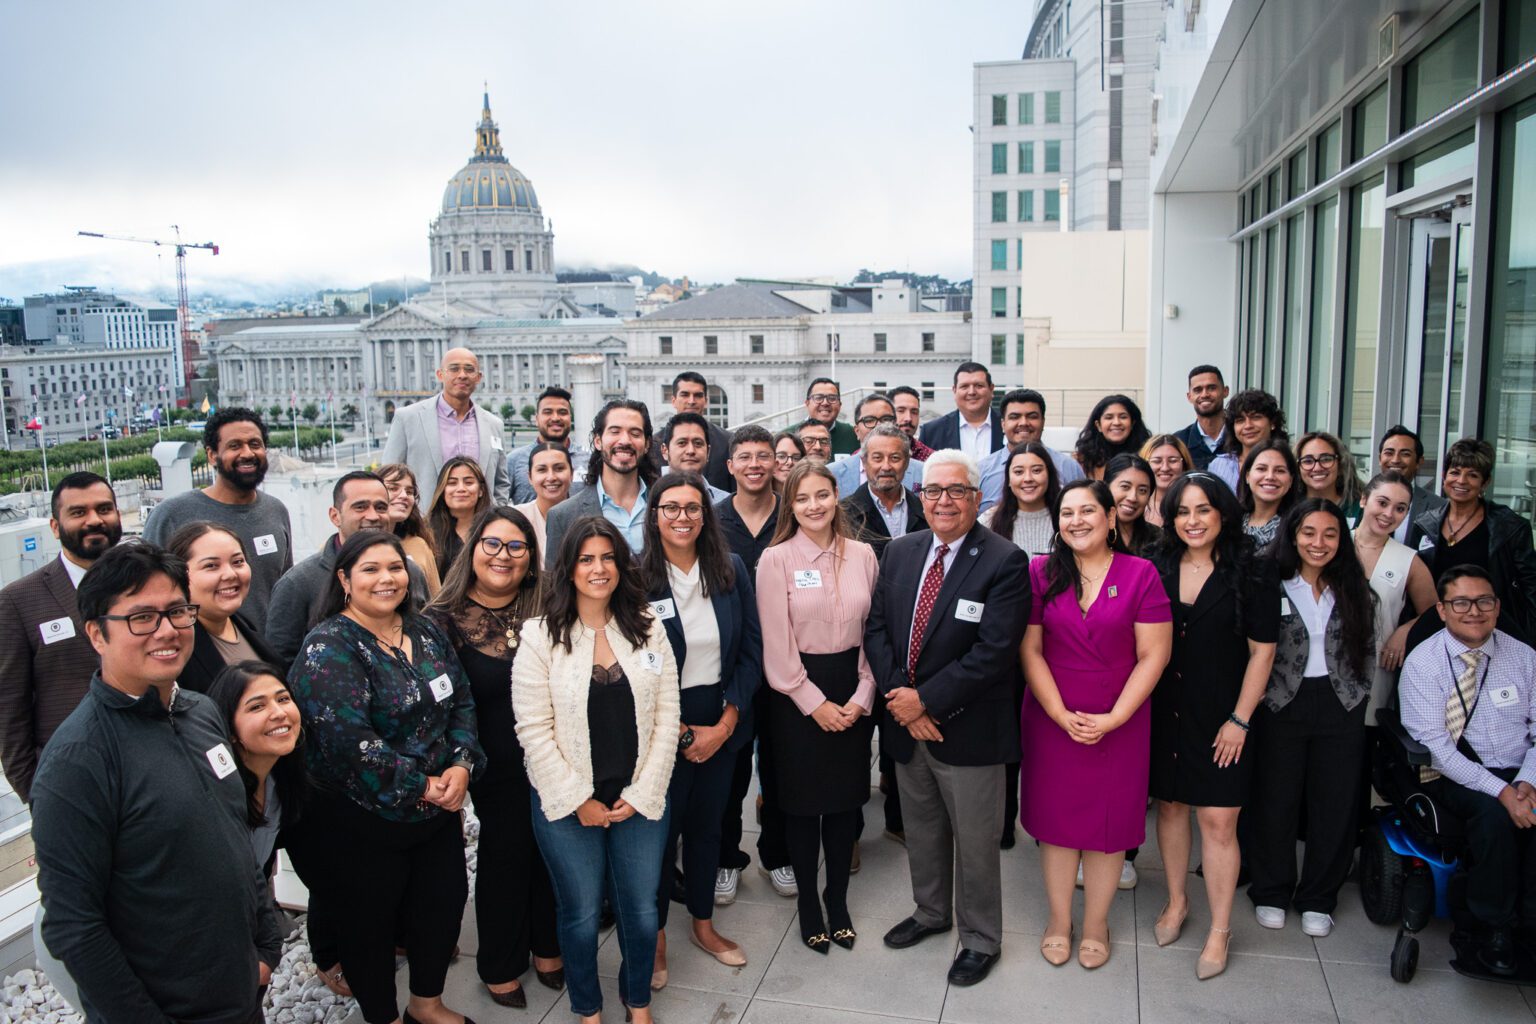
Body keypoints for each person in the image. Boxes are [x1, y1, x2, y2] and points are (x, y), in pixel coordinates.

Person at [31, 544, 281, 1021]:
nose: (167, 631)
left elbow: (235, 831)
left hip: (241, 991)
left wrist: (266, 946)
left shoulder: (200, 712)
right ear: (96, 634)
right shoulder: (78, 761)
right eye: (141, 617)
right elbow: (73, 924)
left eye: (177, 612)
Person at [287, 530, 485, 1024]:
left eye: (394, 567)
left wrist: (460, 763)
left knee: (441, 905)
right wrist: (422, 784)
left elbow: (460, 699)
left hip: (436, 810)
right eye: (371, 569)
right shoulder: (328, 647)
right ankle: (384, 1016)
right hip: (362, 820)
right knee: (368, 925)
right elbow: (347, 740)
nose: (386, 579)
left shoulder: (425, 631)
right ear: (344, 580)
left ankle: (426, 1003)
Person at [865, 451, 1032, 985]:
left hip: (969, 729)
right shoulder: (900, 552)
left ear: (976, 498)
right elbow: (876, 630)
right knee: (923, 830)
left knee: (977, 843)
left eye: (956, 491)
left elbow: (994, 651)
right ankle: (931, 913)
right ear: (920, 495)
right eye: (933, 491)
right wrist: (902, 699)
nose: (943, 501)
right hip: (908, 724)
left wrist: (926, 702)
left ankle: (981, 938)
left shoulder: (1004, 560)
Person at [512, 518, 679, 1024]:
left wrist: (646, 789)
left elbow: (668, 715)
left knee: (642, 912)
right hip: (568, 805)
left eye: (607, 557)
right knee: (581, 916)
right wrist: (574, 799)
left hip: (639, 797)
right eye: (586, 558)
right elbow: (532, 730)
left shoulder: (647, 625)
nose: (598, 568)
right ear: (568, 568)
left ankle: (639, 1003)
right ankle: (587, 1008)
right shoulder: (540, 636)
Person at [1019, 479, 1172, 970]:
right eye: (1067, 513)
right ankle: (1059, 921)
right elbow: (1030, 649)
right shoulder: (1041, 572)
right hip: (1052, 716)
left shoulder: (1141, 573)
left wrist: (1115, 718)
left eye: (1088, 511)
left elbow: (1154, 655)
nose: (1077, 520)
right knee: (1058, 827)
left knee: (1107, 831)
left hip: (1120, 719)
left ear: (1111, 518)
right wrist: (1059, 713)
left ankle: (1096, 924)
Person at [424, 507, 563, 1008]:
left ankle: (548, 946)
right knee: (507, 854)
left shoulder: (550, 605)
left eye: (517, 547)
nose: (504, 556)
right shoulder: (439, 620)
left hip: (554, 754)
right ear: (473, 550)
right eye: (493, 544)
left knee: (553, 851)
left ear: (531, 558)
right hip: (491, 762)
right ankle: (500, 963)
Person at [1149, 474, 1279, 979]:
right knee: (1172, 807)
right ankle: (1178, 901)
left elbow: (1263, 652)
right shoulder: (1156, 565)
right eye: (1182, 511)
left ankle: (1220, 928)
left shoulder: (1254, 572)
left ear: (1224, 513)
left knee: (1219, 823)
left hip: (1225, 716)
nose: (1192, 521)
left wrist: (1239, 720)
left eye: (1203, 510)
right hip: (1165, 710)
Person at [640, 472, 762, 981]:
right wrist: (680, 732)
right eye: (671, 508)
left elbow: (752, 649)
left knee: (709, 828)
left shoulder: (729, 568)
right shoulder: (635, 576)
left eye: (693, 508)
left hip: (721, 715)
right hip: (660, 721)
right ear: (654, 516)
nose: (683, 517)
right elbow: (631, 662)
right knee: (659, 837)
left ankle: (704, 924)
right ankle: (658, 939)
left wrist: (728, 719)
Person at [757, 460, 880, 953]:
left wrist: (863, 694)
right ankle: (809, 901)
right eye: (802, 498)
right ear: (791, 504)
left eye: (822, 495)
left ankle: (839, 898)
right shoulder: (776, 560)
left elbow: (876, 633)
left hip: (852, 688)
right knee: (805, 809)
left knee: (846, 803)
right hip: (795, 696)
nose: (814, 506)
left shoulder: (865, 556)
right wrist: (814, 703)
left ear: (837, 497)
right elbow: (776, 644)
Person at [1248, 499, 1377, 938]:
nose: (1318, 543)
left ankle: (1319, 897)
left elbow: (1368, 649)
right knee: (1275, 801)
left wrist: (1358, 696)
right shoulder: (1270, 582)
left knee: (1334, 804)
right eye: (1308, 533)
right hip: (1282, 702)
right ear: (1292, 535)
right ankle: (1270, 889)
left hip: (1340, 704)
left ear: (1341, 540)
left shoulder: (1356, 587)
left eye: (1329, 534)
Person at [1399, 566, 1536, 976]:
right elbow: (1438, 750)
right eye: (1461, 602)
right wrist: (1503, 792)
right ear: (1442, 609)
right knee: (1494, 819)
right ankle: (1490, 926)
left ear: (1497, 606)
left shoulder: (1525, 656)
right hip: (1455, 772)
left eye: (1484, 601)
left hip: (1521, 768)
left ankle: (1529, 923)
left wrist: (1527, 782)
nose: (1474, 611)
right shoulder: (1424, 663)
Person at [0, 472, 120, 803]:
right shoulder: (18, 601)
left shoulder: (150, 584)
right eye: (78, 512)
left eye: (104, 509)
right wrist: (37, 793)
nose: (94, 520)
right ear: (55, 526)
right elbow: (11, 710)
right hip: (71, 787)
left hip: (151, 775)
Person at [713, 426, 792, 906]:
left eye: (764, 456)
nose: (755, 465)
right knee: (732, 768)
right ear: (730, 465)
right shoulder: (713, 520)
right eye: (745, 457)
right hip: (732, 664)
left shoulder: (793, 516)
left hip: (788, 663)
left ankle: (777, 853)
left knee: (781, 767)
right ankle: (726, 859)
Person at [144, 408, 293, 632]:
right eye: (235, 446)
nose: (247, 453)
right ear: (212, 455)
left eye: (255, 444)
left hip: (266, 657)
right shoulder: (171, 515)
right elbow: (149, 594)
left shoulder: (276, 510)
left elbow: (284, 591)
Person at [266, 471, 429, 668]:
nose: (373, 516)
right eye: (360, 507)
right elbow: (280, 663)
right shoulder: (298, 583)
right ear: (335, 516)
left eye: (380, 507)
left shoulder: (410, 573)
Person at [1410, 438, 1536, 647]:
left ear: (1485, 483)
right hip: (1436, 633)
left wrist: (1530, 642)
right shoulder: (1425, 524)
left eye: (1473, 475)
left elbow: (1531, 589)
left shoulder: (1510, 527)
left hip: (1493, 633)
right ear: (1444, 476)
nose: (1461, 481)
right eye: (1455, 472)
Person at [204, 660, 308, 874]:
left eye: (283, 699)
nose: (279, 713)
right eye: (257, 706)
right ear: (228, 728)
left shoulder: (280, 783)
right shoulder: (212, 797)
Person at [381, 346, 512, 505]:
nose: (462, 375)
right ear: (440, 374)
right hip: (425, 523)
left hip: (480, 524)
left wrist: (497, 513)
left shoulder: (494, 424)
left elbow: (501, 482)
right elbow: (389, 476)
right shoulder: (407, 418)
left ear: (478, 377)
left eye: (469, 370)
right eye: (454, 369)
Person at [1353, 472, 1437, 716]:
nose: (1389, 514)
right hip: (1323, 672)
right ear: (1363, 499)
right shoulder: (1332, 545)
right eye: (1382, 502)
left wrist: (1405, 630)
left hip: (1377, 674)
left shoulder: (1409, 560)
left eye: (1400, 508)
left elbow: (1434, 613)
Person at [168, 522, 282, 693]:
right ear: (180, 575)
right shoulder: (174, 646)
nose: (230, 574)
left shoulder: (245, 626)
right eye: (211, 566)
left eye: (237, 562)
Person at [546, 399, 657, 559]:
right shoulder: (563, 515)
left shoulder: (665, 505)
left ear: (647, 444)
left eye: (635, 433)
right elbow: (555, 581)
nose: (625, 441)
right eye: (615, 431)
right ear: (598, 441)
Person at [977, 388, 1084, 511]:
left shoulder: (1068, 467)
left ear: (1043, 422)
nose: (1023, 423)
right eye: (1014, 417)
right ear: (1003, 424)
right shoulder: (982, 471)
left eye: (1032, 416)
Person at [841, 424, 926, 559]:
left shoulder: (924, 510)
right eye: (877, 458)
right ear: (864, 462)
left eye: (895, 458)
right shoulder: (843, 513)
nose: (886, 467)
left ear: (907, 462)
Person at [828, 393, 923, 497]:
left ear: (895, 426)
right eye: (869, 420)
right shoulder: (832, 473)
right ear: (857, 431)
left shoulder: (922, 472)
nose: (878, 426)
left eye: (886, 419)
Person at [979, 441, 1061, 558]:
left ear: (1049, 475)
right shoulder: (988, 521)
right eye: (1018, 472)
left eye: (1036, 470)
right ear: (1008, 480)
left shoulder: (1067, 518)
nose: (1028, 478)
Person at [509, 386, 589, 504]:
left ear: (570, 418)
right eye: (548, 412)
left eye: (562, 412)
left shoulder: (589, 459)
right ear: (536, 419)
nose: (556, 418)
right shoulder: (514, 460)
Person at [380, 463, 443, 596]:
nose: (403, 495)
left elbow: (436, 602)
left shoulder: (419, 545)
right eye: (393, 488)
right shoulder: (347, 544)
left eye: (409, 491)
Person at [1377, 425, 1444, 546]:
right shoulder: (1362, 500)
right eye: (1389, 453)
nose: (1395, 460)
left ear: (1419, 461)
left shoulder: (1439, 508)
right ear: (1379, 458)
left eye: (1405, 454)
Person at [667, 371, 734, 493]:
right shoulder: (655, 443)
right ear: (673, 400)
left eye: (698, 395)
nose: (691, 401)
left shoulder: (728, 441)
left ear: (706, 400)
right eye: (685, 395)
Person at [918, 362, 1003, 458]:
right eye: (964, 386)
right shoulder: (932, 432)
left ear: (991, 389)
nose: (972, 392)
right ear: (954, 390)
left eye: (979, 386)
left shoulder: (1009, 426)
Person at [1208, 389, 1286, 493]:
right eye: (1240, 420)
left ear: (1272, 423)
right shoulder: (1219, 466)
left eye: (1256, 417)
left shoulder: (1287, 463)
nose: (1248, 426)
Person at [513, 442, 574, 567]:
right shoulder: (516, 518)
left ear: (572, 474)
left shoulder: (587, 515)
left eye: (559, 468)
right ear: (530, 477)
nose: (551, 477)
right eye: (542, 470)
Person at [428, 455, 491, 573]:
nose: (461, 488)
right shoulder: (426, 533)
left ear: (481, 490)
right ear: (442, 490)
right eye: (452, 483)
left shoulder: (494, 528)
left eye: (468, 482)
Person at [1237, 439, 1299, 550]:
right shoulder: (1232, 521)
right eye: (1261, 469)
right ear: (1247, 476)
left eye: (1280, 471)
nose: (1270, 476)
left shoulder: (1298, 527)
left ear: (1290, 480)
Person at [1072, 394, 1152, 481]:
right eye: (1109, 417)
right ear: (1098, 425)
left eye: (1123, 417)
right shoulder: (1082, 461)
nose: (1116, 422)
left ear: (1132, 423)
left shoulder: (1148, 456)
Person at [660, 411, 730, 503]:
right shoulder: (646, 496)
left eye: (698, 443)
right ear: (665, 451)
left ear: (708, 452)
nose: (691, 451)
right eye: (682, 443)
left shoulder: (725, 502)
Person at [1296, 431, 1363, 523]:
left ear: (1340, 465)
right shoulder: (1288, 510)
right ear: (1298, 468)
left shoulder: (1359, 510)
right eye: (1308, 461)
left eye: (1326, 459)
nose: (1317, 468)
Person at [1175, 365, 1230, 470]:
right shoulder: (1179, 442)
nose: (1204, 394)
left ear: (1225, 391)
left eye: (1212, 388)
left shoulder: (1240, 437)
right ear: (1189, 397)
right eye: (1198, 390)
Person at [1105, 453, 1160, 556]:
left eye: (1142, 490)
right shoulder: (1092, 534)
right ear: (1106, 487)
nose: (1133, 498)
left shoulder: (1158, 540)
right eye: (1125, 487)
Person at [1140, 433, 1194, 529]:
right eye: (1157, 461)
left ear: (1184, 465)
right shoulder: (1135, 503)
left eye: (1173, 461)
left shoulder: (1195, 502)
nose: (1165, 468)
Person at [803, 377, 859, 456]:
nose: (825, 403)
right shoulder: (791, 435)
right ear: (807, 403)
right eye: (818, 398)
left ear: (840, 405)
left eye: (832, 398)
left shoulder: (852, 435)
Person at [888, 385, 936, 461]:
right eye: (901, 411)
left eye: (914, 412)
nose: (908, 418)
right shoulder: (868, 454)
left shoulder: (930, 458)